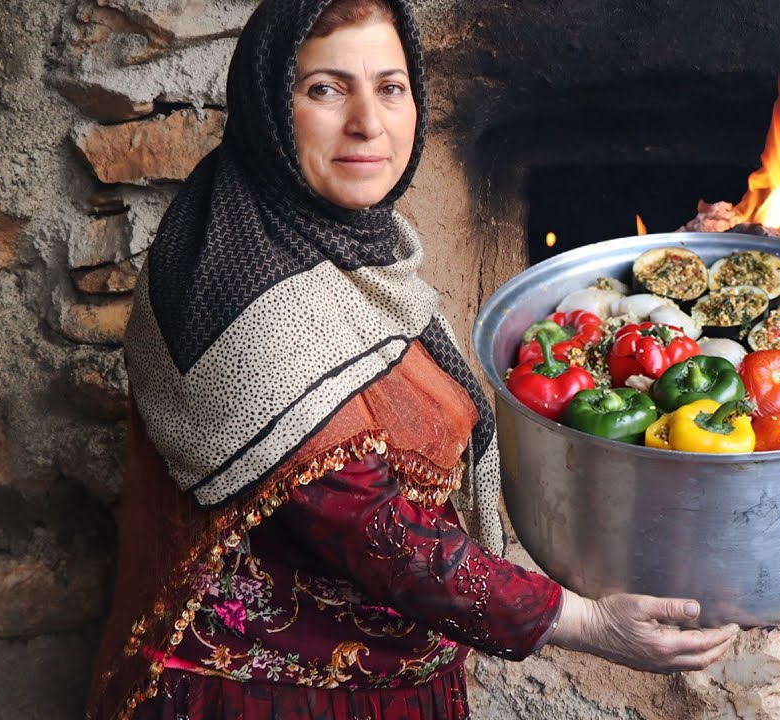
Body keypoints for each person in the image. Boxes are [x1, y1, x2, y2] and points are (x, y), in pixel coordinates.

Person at [85, 0, 739, 718]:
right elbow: (376, 534)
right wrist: (590, 623)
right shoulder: (235, 284)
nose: (370, 122)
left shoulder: (343, 240)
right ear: (269, 104)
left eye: (390, 87)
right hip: (269, 695)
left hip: (389, 673)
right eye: (326, 89)